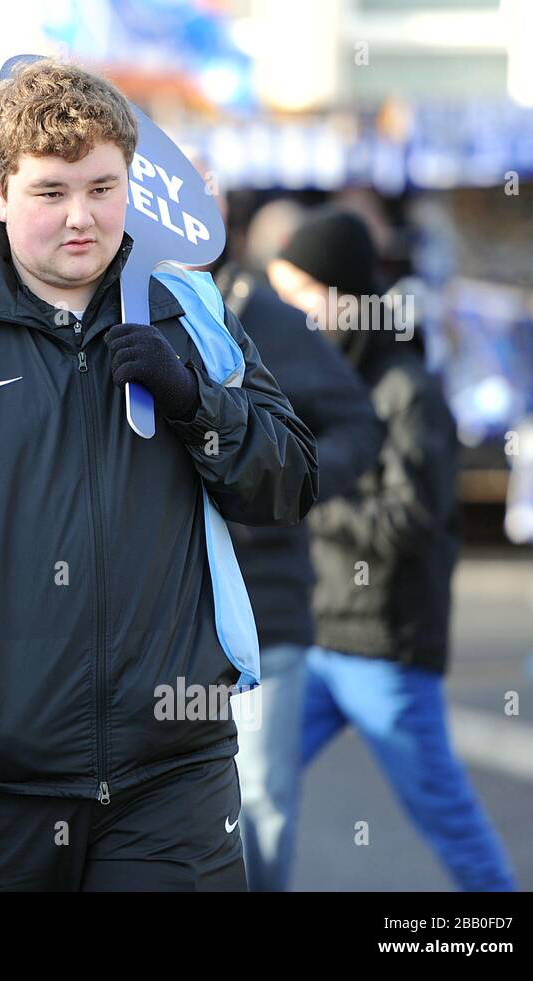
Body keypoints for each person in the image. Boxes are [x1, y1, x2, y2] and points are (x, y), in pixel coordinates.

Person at [0, 58, 318, 891]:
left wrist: (196, 402)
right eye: (51, 192)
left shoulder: (189, 310)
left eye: (102, 188)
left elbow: (289, 480)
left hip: (172, 771)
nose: (81, 218)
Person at [267, 207, 517, 891]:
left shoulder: (405, 385)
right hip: (314, 635)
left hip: (385, 644)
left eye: (300, 294)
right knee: (240, 794)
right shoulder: (315, 374)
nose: (287, 310)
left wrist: (305, 494)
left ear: (344, 294)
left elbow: (410, 518)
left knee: (449, 819)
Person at [213, 198, 385, 891]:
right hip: (147, 619)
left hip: (264, 612)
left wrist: (286, 492)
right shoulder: (116, 310)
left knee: (260, 801)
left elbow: (355, 425)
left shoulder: (262, 317)